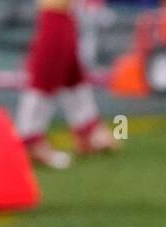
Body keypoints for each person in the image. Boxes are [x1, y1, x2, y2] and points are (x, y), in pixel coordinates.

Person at [16, 0, 113, 169]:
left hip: (63, 15)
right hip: (55, 15)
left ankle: (87, 127)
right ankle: (29, 138)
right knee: (47, 72)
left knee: (69, 66)